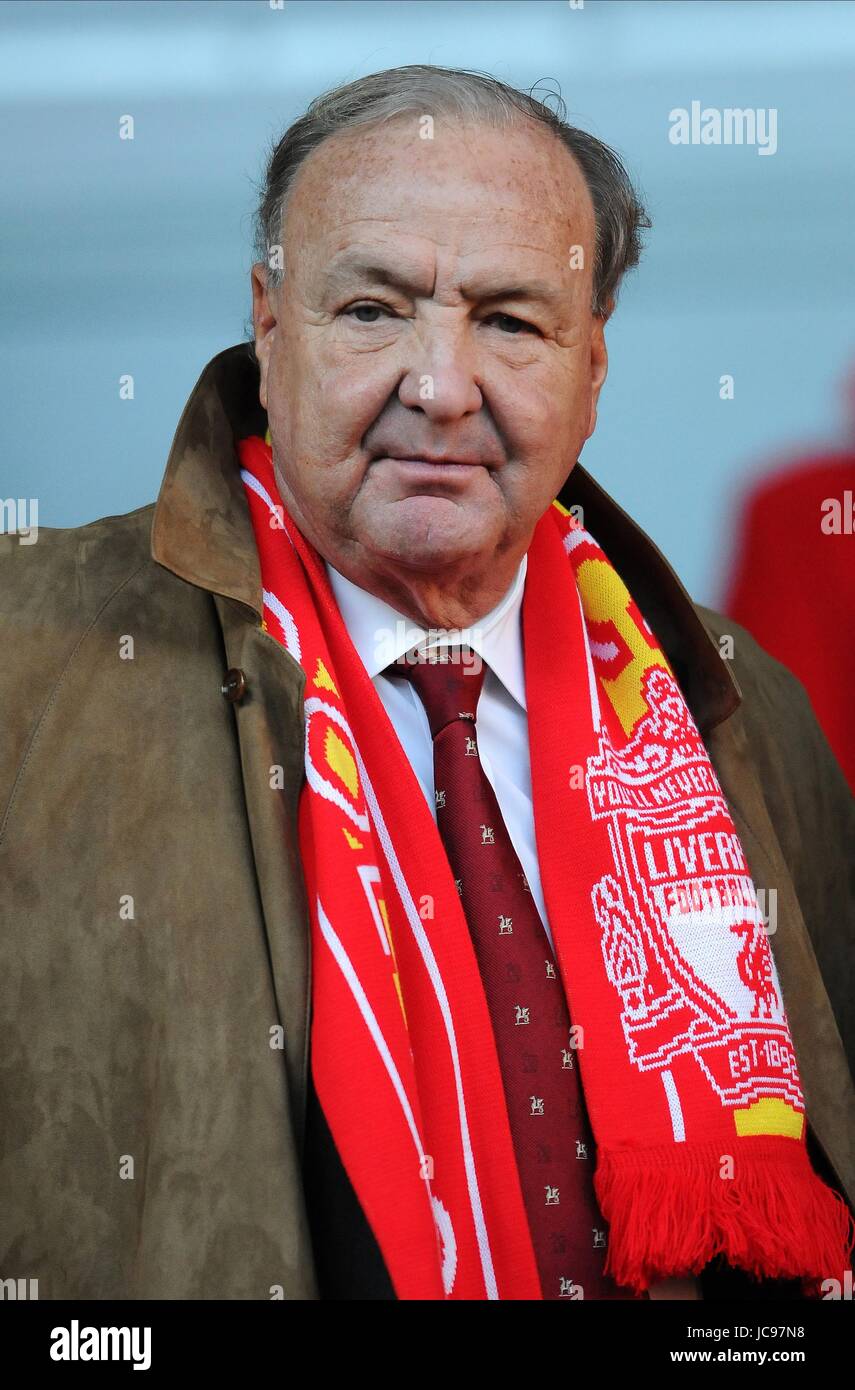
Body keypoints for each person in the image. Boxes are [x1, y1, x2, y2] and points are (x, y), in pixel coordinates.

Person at [1, 65, 853, 1302]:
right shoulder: (29, 656)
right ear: (270, 321)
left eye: (510, 321)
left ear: (594, 367)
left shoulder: (742, 701)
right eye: (373, 310)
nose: (441, 385)